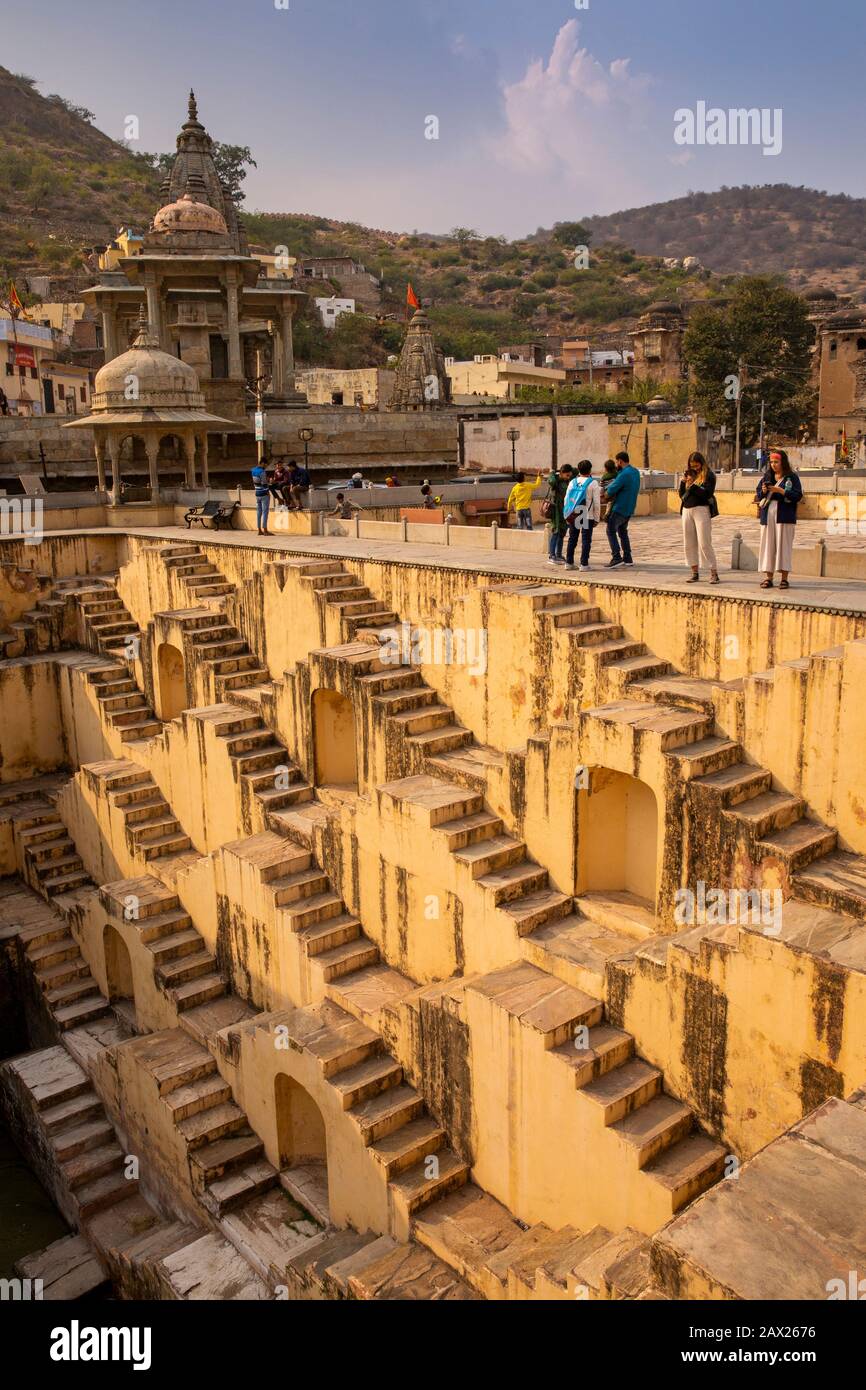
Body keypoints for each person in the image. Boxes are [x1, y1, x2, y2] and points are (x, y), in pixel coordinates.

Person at [755, 448, 803, 589]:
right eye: (771, 462)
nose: (773, 464)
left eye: (776, 462)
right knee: (768, 546)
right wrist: (763, 491)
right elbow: (759, 494)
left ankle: (784, 578)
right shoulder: (767, 477)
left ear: (783, 462)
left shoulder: (791, 477)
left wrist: (781, 491)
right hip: (768, 515)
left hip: (784, 515)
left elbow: (797, 495)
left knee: (784, 547)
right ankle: (768, 577)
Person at [679, 451, 720, 584]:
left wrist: (693, 485)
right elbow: (682, 495)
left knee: (704, 542)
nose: (695, 468)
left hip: (701, 509)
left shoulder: (709, 475)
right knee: (689, 543)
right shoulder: (689, 474)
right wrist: (683, 483)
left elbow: (707, 494)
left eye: (697, 465)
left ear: (702, 464)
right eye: (692, 466)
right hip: (687, 509)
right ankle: (694, 572)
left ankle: (713, 572)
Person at [563, 460, 601, 570]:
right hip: (586, 514)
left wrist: (566, 515)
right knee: (586, 540)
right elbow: (597, 503)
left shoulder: (572, 482)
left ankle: (569, 562)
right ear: (590, 470)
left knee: (572, 538)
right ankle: (584, 564)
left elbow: (567, 500)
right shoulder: (593, 483)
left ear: (578, 470)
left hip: (574, 513)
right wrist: (597, 518)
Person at [604, 451, 640, 567]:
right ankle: (627, 557)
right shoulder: (635, 471)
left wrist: (604, 494)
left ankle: (616, 557)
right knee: (622, 531)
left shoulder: (624, 474)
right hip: (630, 507)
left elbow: (611, 490)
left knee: (610, 530)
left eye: (617, 462)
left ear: (619, 461)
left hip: (620, 507)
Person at [544, 464, 574, 564]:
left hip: (564, 512)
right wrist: (553, 473)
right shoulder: (555, 481)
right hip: (556, 512)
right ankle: (552, 555)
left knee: (562, 533)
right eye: (567, 475)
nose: (569, 477)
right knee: (555, 533)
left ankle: (559, 554)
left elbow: (576, 471)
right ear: (561, 473)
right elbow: (551, 481)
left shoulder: (567, 482)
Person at [251, 464, 272, 535]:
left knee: (258, 512)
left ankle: (259, 530)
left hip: (257, 493)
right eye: (266, 464)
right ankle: (265, 530)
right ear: (263, 463)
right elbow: (264, 484)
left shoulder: (253, 470)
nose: (266, 466)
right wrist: (267, 492)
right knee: (265, 512)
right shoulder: (262, 472)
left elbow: (255, 482)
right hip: (263, 494)